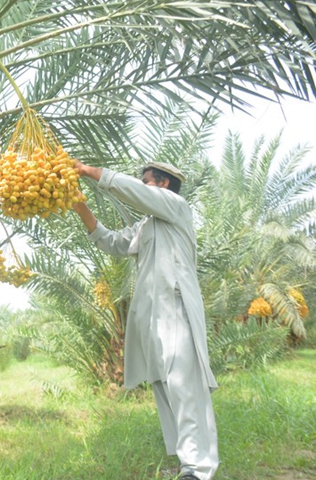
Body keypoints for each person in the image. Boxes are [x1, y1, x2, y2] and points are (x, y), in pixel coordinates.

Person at [71, 161, 219, 480]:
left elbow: (134, 193)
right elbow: (112, 242)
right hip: (154, 317)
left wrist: (86, 170)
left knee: (185, 386)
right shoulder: (146, 226)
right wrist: (78, 204)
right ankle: (186, 463)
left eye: (147, 181)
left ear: (164, 184)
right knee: (166, 388)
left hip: (176, 308)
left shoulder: (177, 207)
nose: (142, 184)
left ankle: (199, 469)